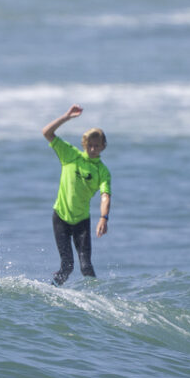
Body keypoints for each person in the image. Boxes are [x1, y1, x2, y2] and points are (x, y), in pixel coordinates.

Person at [40, 104, 112, 285]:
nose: (93, 149)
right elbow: (47, 132)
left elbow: (105, 196)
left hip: (82, 222)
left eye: (97, 146)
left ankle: (97, 295)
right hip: (61, 217)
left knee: (86, 266)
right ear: (84, 145)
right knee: (67, 266)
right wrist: (66, 117)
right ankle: (52, 290)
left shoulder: (102, 171)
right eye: (90, 145)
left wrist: (104, 217)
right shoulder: (70, 155)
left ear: (103, 147)